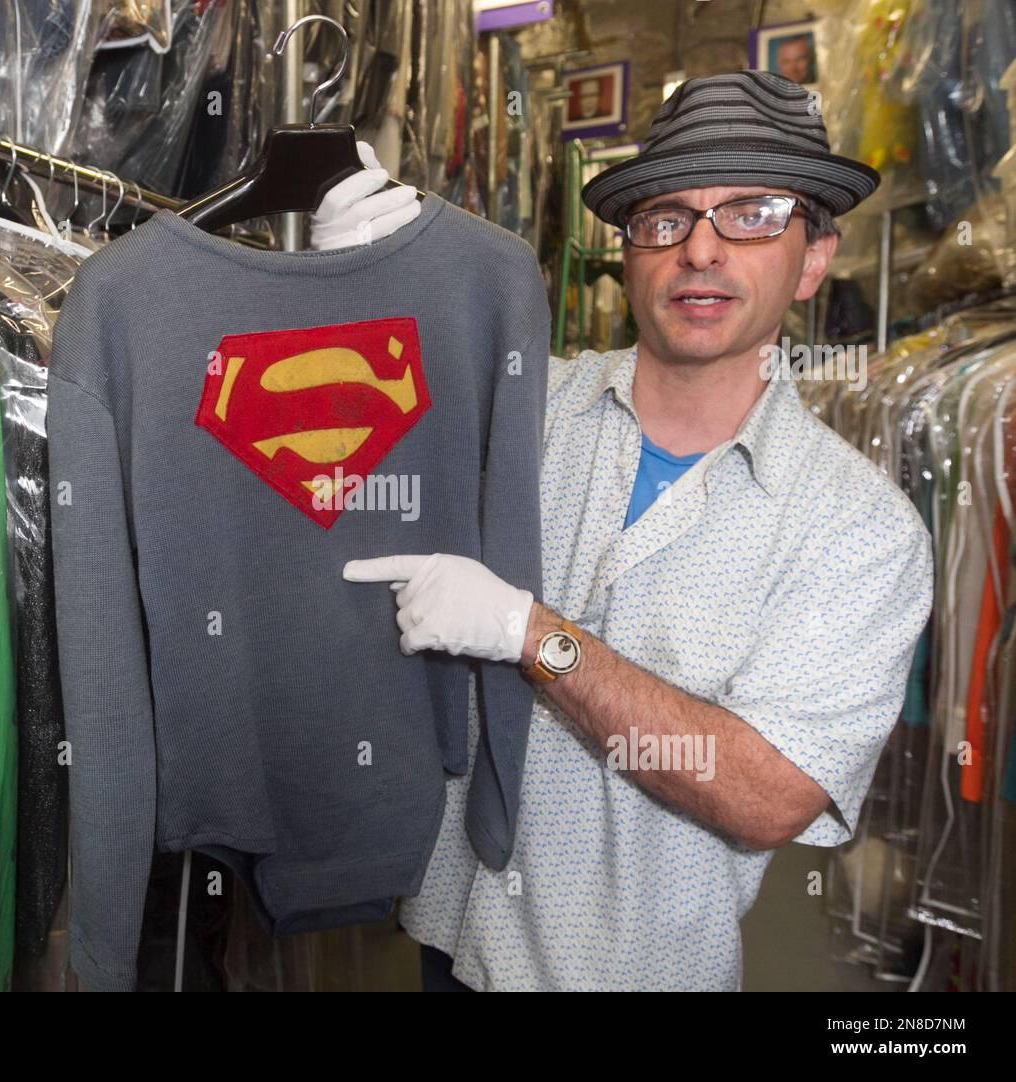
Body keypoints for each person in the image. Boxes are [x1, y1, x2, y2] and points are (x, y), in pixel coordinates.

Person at [309, 70, 934, 991]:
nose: (702, 250)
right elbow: (341, 483)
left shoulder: (861, 531)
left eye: (752, 214)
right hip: (447, 932)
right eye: (666, 217)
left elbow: (765, 793)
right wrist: (345, 304)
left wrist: (535, 638)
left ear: (813, 258)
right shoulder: (523, 406)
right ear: (631, 252)